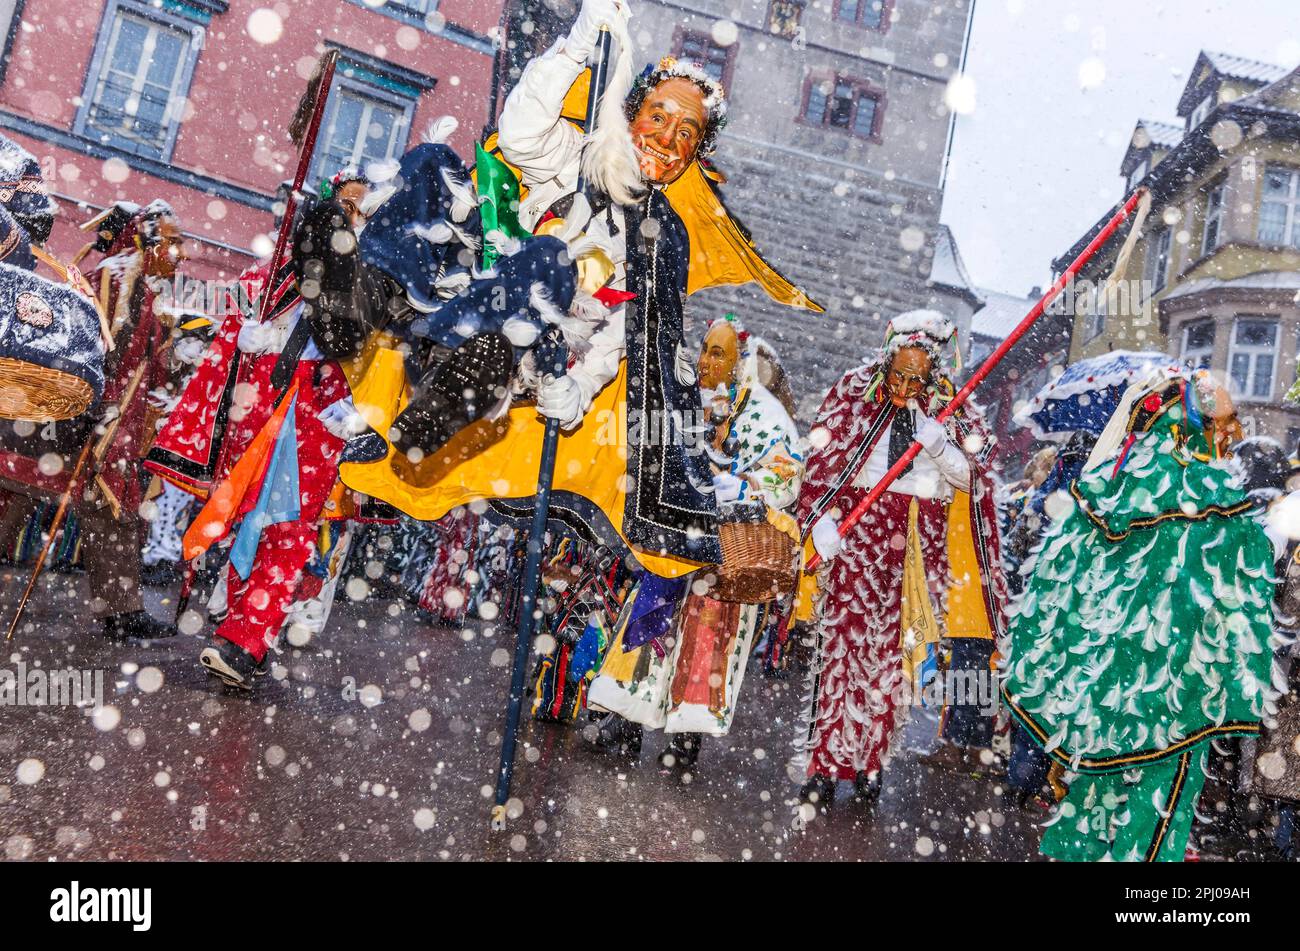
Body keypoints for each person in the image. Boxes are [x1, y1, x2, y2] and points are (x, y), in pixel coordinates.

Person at [1001, 370, 1280, 861]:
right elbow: (1241, 615)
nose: (1231, 434)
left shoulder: (1101, 500)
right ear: (1191, 427)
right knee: (1155, 818)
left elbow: (1049, 607)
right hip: (1178, 706)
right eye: (1224, 421)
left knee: (1092, 801)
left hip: (1099, 706)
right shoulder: (1218, 509)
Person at [792, 310, 1007, 823]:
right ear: (886, 361)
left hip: (917, 538)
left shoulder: (951, 406)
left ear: (932, 373)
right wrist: (823, 520)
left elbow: (974, 482)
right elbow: (824, 462)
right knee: (843, 651)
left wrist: (939, 443)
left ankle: (870, 764)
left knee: (895, 659)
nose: (906, 386)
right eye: (898, 374)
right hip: (858, 535)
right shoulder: (854, 392)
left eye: (917, 378)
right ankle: (823, 766)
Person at [586, 315, 804, 767]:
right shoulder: (685, 401)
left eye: (717, 353)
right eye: (704, 349)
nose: (705, 361)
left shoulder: (763, 412)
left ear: (739, 361)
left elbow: (784, 476)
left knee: (706, 639)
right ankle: (626, 718)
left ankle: (686, 737)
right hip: (676, 540)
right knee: (649, 620)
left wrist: (737, 486)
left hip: (727, 548)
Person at [0, 200, 184, 641]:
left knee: (111, 516)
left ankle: (121, 612)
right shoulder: (114, 280)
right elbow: (96, 358)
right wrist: (98, 416)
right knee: (14, 494)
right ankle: (120, 612)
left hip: (106, 429)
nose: (182, 254)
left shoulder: (145, 289)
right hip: (78, 425)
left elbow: (151, 369)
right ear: (146, 239)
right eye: (174, 243)